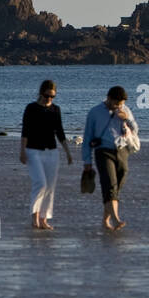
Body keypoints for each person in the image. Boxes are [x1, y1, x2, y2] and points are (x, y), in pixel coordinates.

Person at [82, 86, 138, 231]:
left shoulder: (125, 110)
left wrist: (127, 119)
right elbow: (87, 136)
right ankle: (115, 218)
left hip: (122, 150)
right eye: (117, 103)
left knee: (118, 184)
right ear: (109, 98)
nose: (119, 106)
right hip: (103, 151)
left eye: (121, 103)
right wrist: (87, 161)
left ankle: (105, 219)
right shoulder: (95, 112)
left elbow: (135, 129)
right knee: (110, 184)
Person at [19, 79, 73, 230]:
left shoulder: (56, 109)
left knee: (50, 187)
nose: (49, 99)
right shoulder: (31, 108)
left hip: (52, 152)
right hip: (33, 151)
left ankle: (44, 218)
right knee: (40, 183)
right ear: (41, 93)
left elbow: (60, 132)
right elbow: (25, 131)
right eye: (47, 95)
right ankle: (34, 216)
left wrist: (68, 152)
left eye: (52, 96)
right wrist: (22, 151)